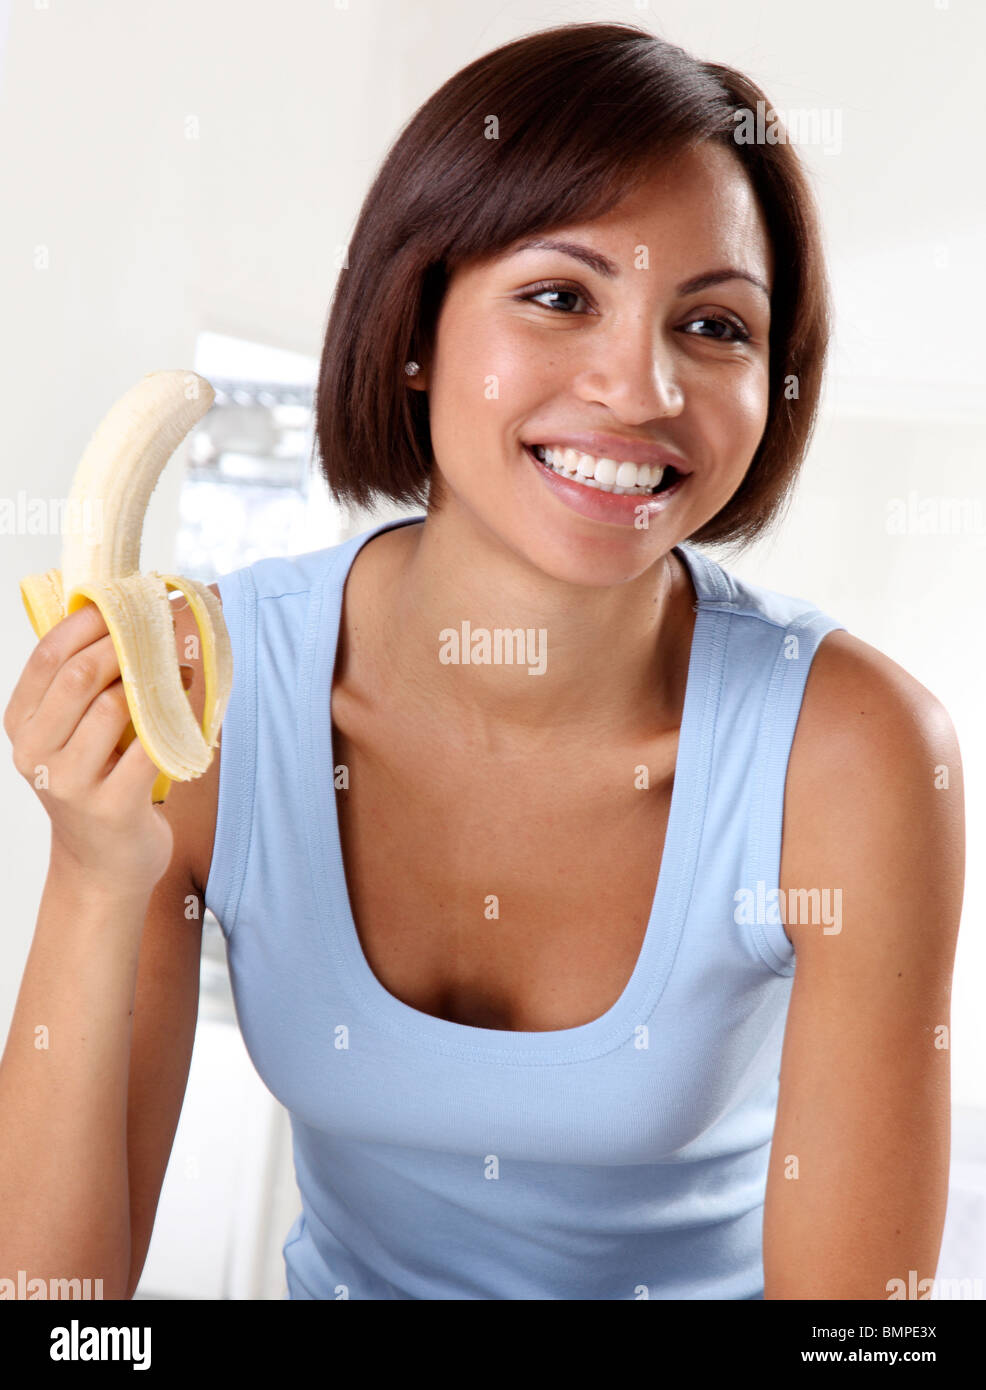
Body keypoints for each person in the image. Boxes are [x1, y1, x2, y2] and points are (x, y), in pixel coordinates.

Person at [1, 22, 964, 1301]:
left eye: (715, 327)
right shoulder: (208, 693)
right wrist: (90, 870)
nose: (640, 387)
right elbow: (61, 1326)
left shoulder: (855, 753)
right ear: (415, 326)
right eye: (560, 296)